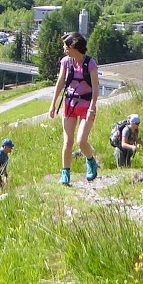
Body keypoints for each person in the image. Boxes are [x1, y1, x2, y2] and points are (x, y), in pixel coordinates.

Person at [48, 32, 101, 185]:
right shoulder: (66, 62)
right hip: (70, 105)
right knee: (67, 142)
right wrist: (53, 104)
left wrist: (92, 107)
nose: (64, 50)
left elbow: (96, 88)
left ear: (74, 47)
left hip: (86, 106)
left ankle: (91, 161)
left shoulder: (90, 64)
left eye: (66, 47)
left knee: (81, 141)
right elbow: (60, 82)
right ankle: (65, 173)